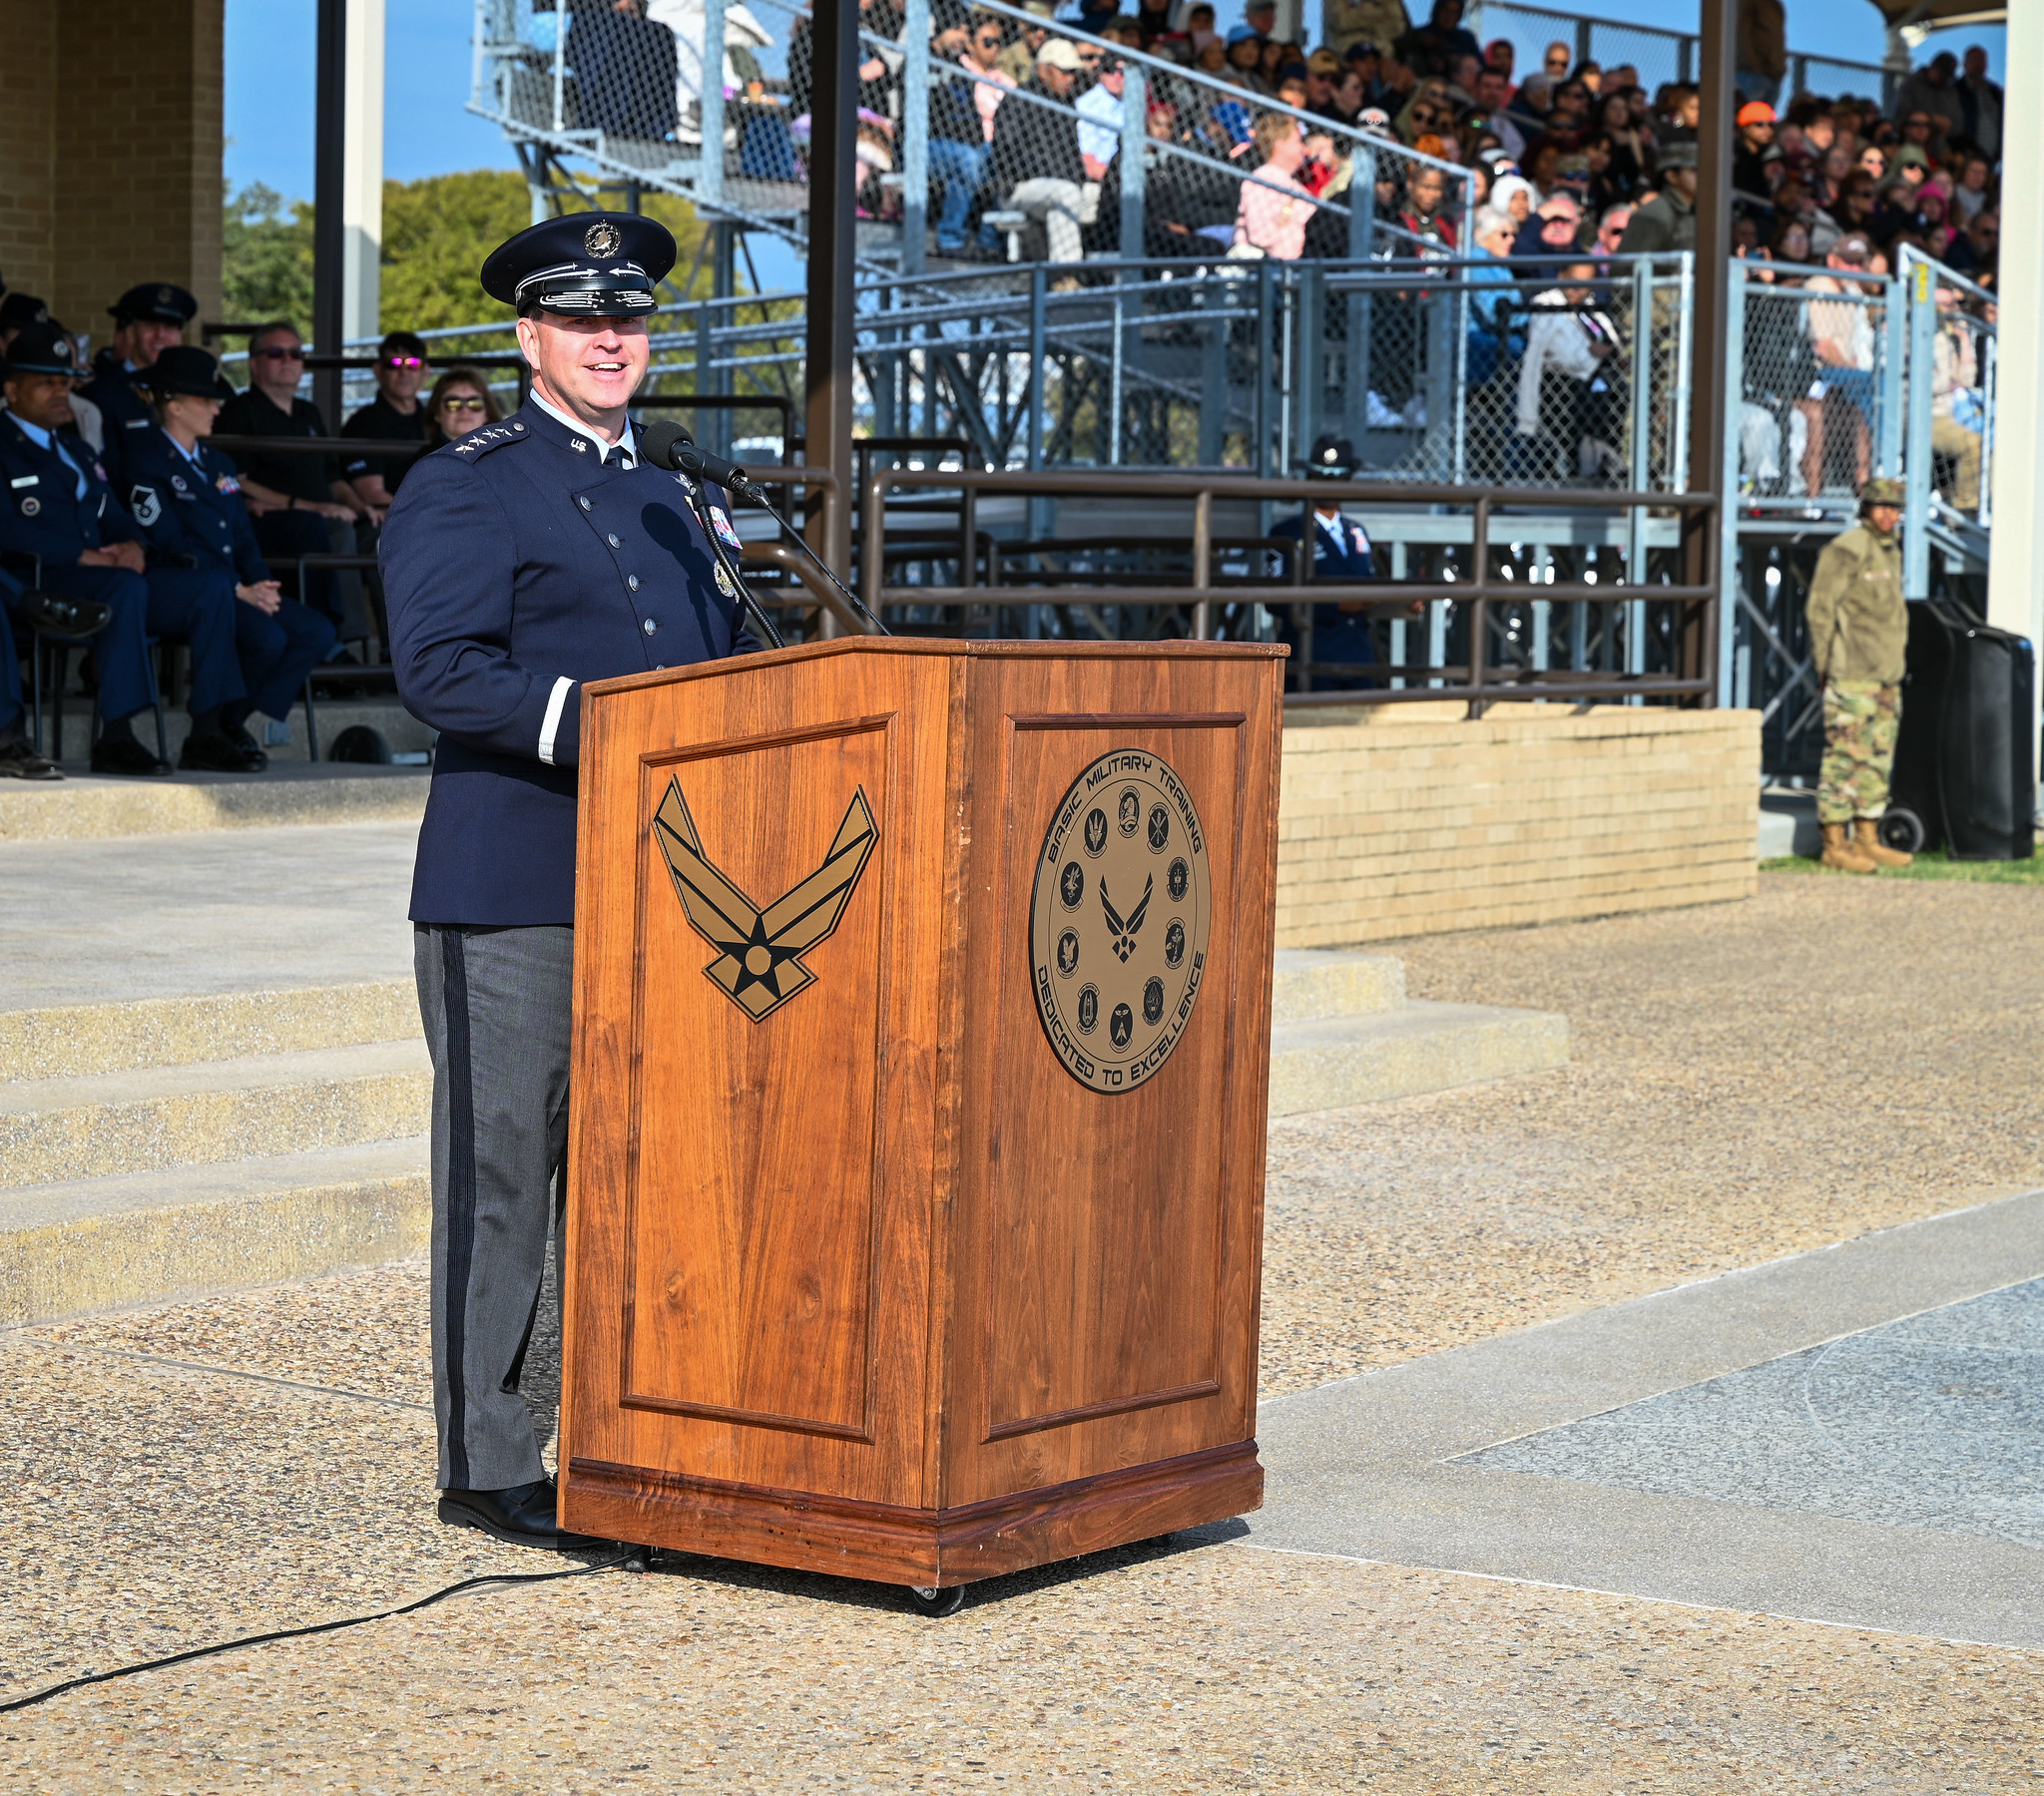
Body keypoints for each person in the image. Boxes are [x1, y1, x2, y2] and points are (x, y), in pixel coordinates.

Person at [381, 212, 762, 1553]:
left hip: (667, 890)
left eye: (633, 319)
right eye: (583, 319)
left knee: (630, 1172)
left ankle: (620, 1434)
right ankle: (489, 1463)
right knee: (505, 1176)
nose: (613, 338)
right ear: (532, 337)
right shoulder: (469, 481)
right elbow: (440, 669)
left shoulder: (671, 493)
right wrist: (610, 728)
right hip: (518, 884)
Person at [0, 322, 248, 774]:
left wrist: (134, 542)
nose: (61, 393)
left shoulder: (76, 450)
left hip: (104, 574)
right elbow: (8, 530)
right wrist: (83, 556)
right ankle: (117, 735)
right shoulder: (3, 447)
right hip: (38, 580)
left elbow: (108, 512)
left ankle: (208, 730)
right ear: (11, 389)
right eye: (46, 383)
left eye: (65, 382)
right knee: (124, 589)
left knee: (210, 588)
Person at [123, 347, 337, 769]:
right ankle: (206, 732)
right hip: (187, 587)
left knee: (314, 631)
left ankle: (230, 720)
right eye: (205, 401)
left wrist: (261, 585)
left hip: (234, 586)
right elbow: (167, 540)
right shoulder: (144, 458)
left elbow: (241, 534)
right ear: (174, 404)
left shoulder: (217, 462)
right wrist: (238, 588)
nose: (215, 409)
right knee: (268, 638)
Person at [218, 319, 371, 636]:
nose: (288, 360)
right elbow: (238, 480)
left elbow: (333, 476)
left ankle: (383, 648)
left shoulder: (309, 412)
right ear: (253, 363)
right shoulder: (238, 412)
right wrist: (311, 507)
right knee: (331, 528)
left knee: (374, 528)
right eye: (276, 353)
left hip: (323, 515)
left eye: (296, 354)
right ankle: (339, 638)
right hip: (272, 523)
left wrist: (359, 505)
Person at [1804, 477, 1911, 873]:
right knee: (1845, 758)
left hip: (1885, 675)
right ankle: (1835, 844)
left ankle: (1867, 837)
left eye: (1895, 508)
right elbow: (1820, 611)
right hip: (1852, 674)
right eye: (1880, 506)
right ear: (1865, 508)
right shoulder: (1846, 549)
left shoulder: (1889, 550)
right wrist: (1824, 665)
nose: (1888, 515)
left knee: (1878, 758)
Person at [1272, 434, 1376, 688]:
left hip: (1357, 656)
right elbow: (1274, 599)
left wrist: (1401, 603)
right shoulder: (1288, 532)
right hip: (1313, 655)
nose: (1329, 486)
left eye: (1338, 478)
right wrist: (1335, 605)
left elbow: (1371, 583)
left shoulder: (1356, 531)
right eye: (1322, 478)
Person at [77, 282, 197, 488]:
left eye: (170, 327)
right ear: (131, 333)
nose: (161, 335)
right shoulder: (102, 393)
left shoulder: (193, 391)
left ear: (179, 337)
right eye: (151, 325)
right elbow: (108, 475)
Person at [988, 38, 1091, 268]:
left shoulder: (1066, 105)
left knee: (1069, 203)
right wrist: (1057, 176)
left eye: (1073, 73)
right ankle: (1067, 274)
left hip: (1059, 189)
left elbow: (1073, 157)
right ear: (1044, 70)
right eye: (1065, 72)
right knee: (1066, 194)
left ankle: (1068, 274)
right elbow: (1007, 153)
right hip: (1020, 187)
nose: (1071, 79)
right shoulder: (1018, 99)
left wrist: (1074, 180)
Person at [340, 330, 432, 518]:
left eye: (413, 364)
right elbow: (372, 494)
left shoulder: (435, 419)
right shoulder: (361, 425)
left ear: (425, 371)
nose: (404, 372)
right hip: (392, 524)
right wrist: (424, 519)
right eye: (394, 364)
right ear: (378, 371)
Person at [1234, 113, 1317, 260]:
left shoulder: (1294, 185)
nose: (1303, 147)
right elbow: (1261, 236)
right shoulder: (1260, 180)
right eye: (1298, 141)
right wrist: (1296, 232)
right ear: (1280, 144)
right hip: (1270, 268)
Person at [1617, 134, 1697, 253]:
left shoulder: (1696, 211)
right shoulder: (1655, 215)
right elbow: (1626, 266)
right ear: (1672, 176)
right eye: (1694, 171)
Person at [421, 366, 502, 448]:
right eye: (454, 403)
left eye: (475, 403)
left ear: (487, 412)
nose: (465, 410)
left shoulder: (504, 455)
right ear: (437, 413)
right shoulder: (424, 459)